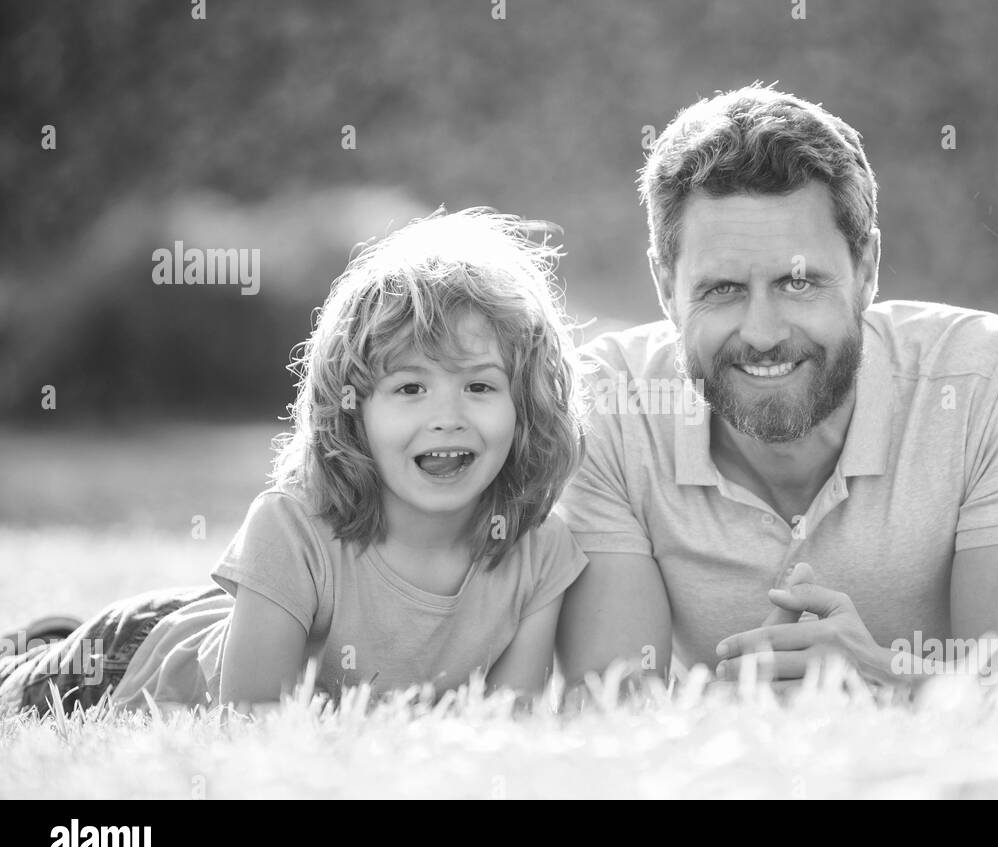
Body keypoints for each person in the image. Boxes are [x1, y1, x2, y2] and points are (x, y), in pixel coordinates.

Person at [555, 85, 998, 703]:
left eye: (798, 282)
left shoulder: (996, 379)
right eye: (723, 289)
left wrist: (886, 680)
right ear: (664, 286)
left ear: (866, 267)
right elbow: (609, 702)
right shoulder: (603, 407)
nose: (762, 334)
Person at [0, 208, 588, 714]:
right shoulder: (294, 526)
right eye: (410, 388)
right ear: (353, 410)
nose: (447, 416)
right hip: (125, 660)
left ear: (527, 407)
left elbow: (510, 724)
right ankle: (39, 645)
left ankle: (43, 635)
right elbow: (252, 718)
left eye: (480, 387)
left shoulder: (539, 551)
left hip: (223, 621)